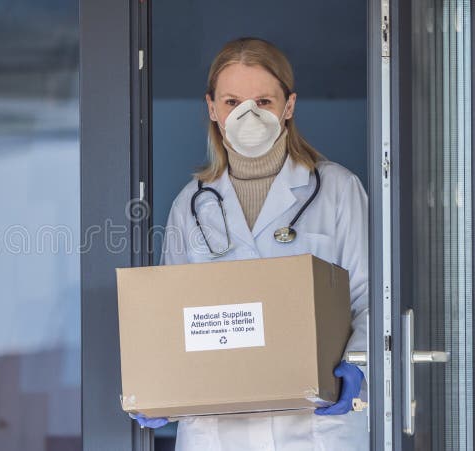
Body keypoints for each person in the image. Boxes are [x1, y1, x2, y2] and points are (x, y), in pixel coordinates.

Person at [132, 37, 369, 450]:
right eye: (232, 102)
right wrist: (157, 381)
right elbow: (171, 314)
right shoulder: (190, 204)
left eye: (262, 102)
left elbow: (370, 298)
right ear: (212, 109)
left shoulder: (337, 190)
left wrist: (359, 365)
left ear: (288, 107)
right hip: (219, 432)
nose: (248, 116)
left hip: (314, 429)